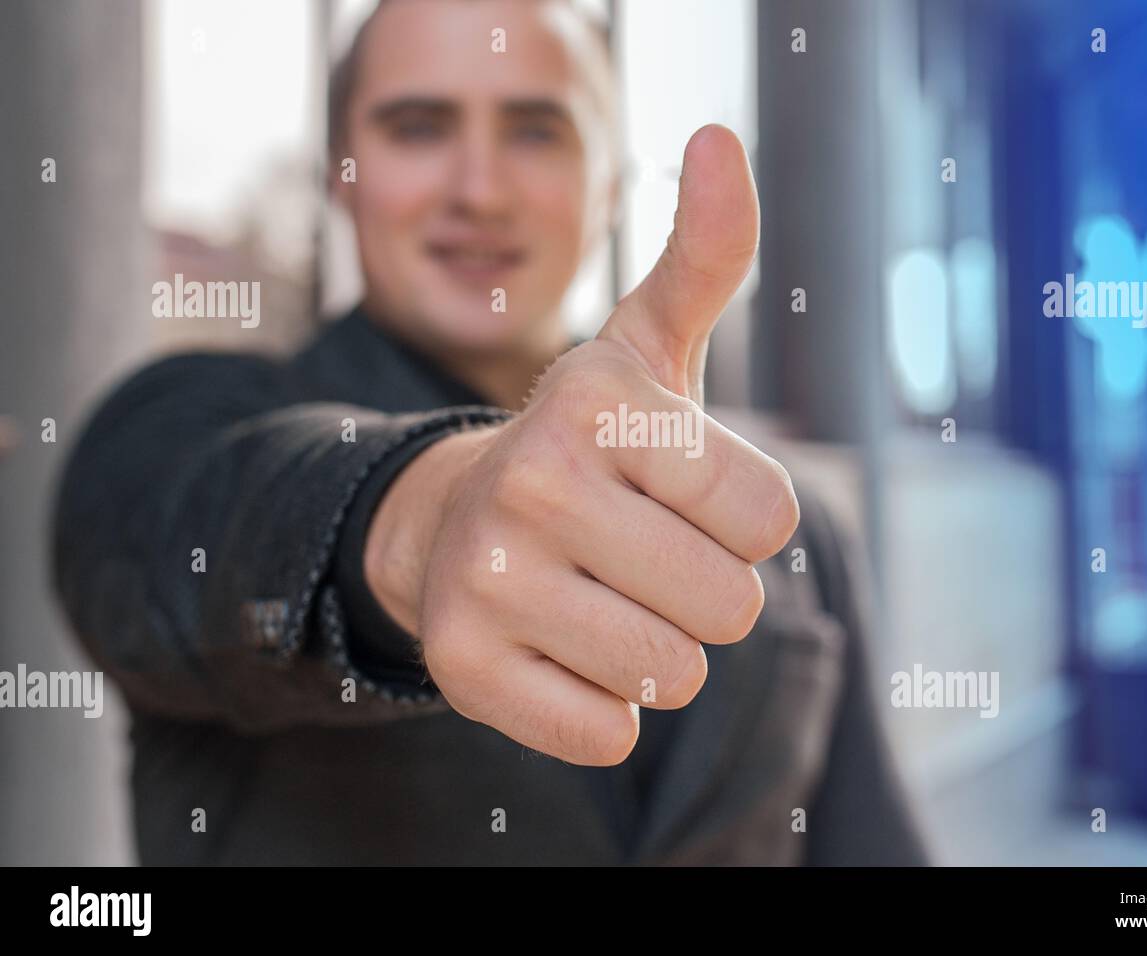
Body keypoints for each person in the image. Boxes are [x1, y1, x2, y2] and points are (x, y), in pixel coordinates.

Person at [52, 0, 925, 865]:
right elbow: (205, 520)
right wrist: (429, 523)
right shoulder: (186, 430)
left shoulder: (789, 526)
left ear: (612, 185)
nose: (480, 190)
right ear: (339, 174)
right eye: (419, 127)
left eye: (537, 131)